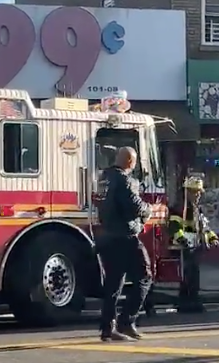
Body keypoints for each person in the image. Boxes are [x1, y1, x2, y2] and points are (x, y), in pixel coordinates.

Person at [95, 146, 153, 342]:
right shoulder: (124, 180)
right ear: (131, 162)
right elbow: (134, 206)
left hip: (106, 236)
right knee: (144, 277)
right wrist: (148, 209)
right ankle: (126, 322)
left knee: (113, 283)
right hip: (125, 236)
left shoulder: (104, 178)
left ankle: (107, 327)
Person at [168, 176, 219, 313]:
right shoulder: (179, 209)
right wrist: (181, 239)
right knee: (188, 277)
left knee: (192, 276)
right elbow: (173, 226)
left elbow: (204, 228)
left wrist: (213, 238)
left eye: (199, 192)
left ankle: (188, 302)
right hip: (184, 247)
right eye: (194, 192)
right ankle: (189, 303)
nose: (197, 195)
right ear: (187, 192)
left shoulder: (197, 209)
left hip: (194, 247)